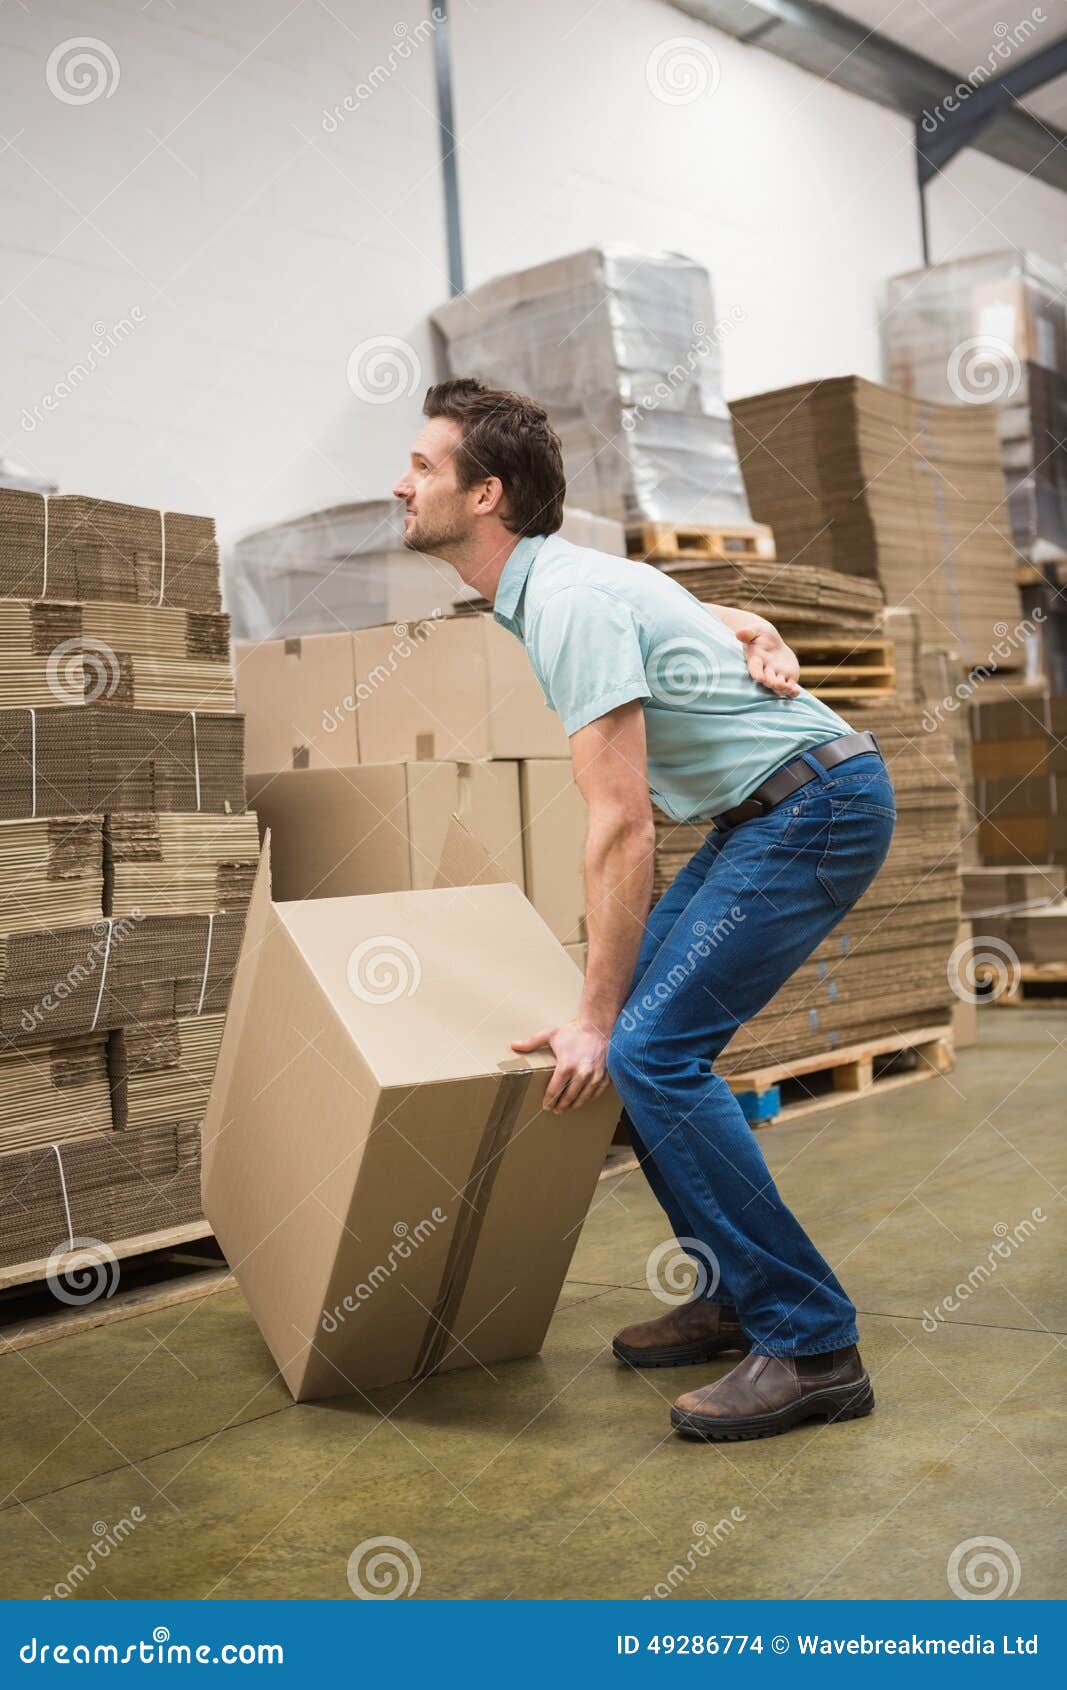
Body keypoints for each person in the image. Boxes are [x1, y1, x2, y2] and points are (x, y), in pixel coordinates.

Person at [393, 378, 896, 1441]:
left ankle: (812, 1345)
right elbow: (714, 616)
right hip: (770, 809)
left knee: (648, 1047)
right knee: (640, 1045)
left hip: (810, 809)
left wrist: (589, 1010)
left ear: (486, 496)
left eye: (423, 467)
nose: (400, 483)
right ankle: (733, 1294)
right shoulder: (565, 581)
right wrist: (757, 631)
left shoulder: (565, 600)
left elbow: (621, 825)